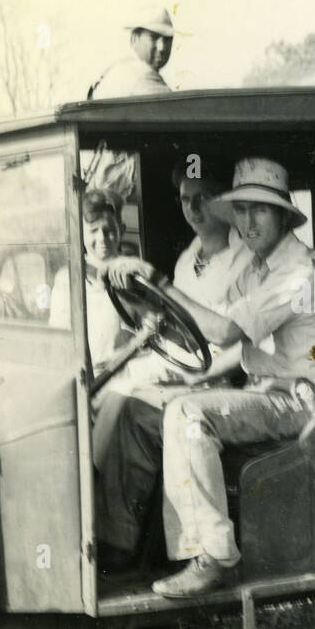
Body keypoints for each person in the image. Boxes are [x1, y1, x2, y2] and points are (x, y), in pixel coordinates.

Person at [103, 156, 315, 597]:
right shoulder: (259, 267)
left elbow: (224, 331)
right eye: (240, 210)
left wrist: (162, 285)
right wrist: (185, 371)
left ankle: (216, 555)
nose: (247, 220)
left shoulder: (298, 271)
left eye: (259, 209)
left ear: (283, 214)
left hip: (297, 402)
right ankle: (120, 549)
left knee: (187, 415)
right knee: (139, 410)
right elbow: (234, 346)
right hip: (259, 390)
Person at [90, 157, 255, 567]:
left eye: (204, 198)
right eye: (185, 200)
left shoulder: (247, 261)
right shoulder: (187, 259)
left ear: (224, 200)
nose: (193, 209)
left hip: (221, 383)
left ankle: (121, 545)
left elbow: (245, 342)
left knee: (127, 404)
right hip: (184, 368)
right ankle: (104, 532)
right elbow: (179, 326)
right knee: (108, 393)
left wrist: (200, 377)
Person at [49, 188, 131, 378]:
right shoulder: (67, 280)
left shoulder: (134, 276)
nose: (102, 238)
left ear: (122, 230)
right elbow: (59, 338)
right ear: (81, 234)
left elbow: (149, 337)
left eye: (109, 230)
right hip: (81, 379)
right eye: (93, 231)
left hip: (123, 377)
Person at [87, 7, 175, 99]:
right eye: (153, 38)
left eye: (167, 39)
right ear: (134, 39)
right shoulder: (142, 75)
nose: (162, 47)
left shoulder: (121, 69)